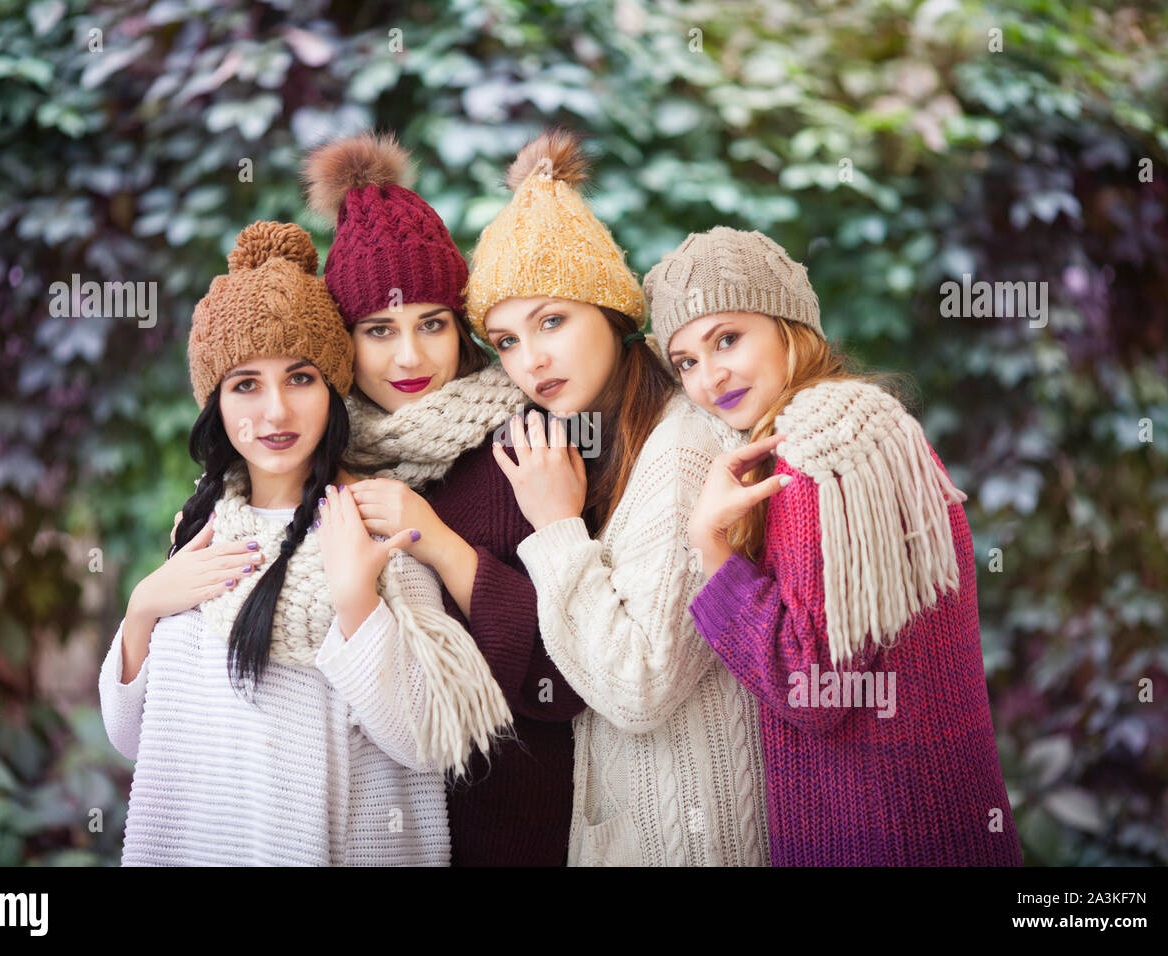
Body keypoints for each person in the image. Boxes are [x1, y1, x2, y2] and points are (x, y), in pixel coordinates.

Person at [99, 221, 508, 866]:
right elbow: (133, 737)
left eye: (300, 378)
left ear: (332, 388)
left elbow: (429, 741)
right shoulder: (200, 529)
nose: (276, 414)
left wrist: (356, 602)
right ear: (215, 402)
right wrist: (143, 609)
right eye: (245, 385)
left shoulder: (372, 526)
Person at [647, 225, 1023, 865]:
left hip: (884, 835)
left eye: (728, 339)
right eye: (685, 361)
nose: (709, 376)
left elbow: (812, 685)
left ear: (789, 325)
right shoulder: (860, 423)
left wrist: (711, 549)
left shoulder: (820, 445)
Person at [464, 130, 768, 866]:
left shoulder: (683, 448)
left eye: (552, 321)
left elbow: (640, 686)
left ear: (612, 314)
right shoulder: (603, 445)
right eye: (504, 341)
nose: (530, 360)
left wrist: (557, 528)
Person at [301, 131, 586, 865]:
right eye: (378, 330)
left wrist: (438, 541)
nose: (409, 356)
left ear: (461, 328)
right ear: (344, 340)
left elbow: (571, 674)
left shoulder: (524, 447)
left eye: (432, 324)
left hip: (515, 827)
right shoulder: (323, 462)